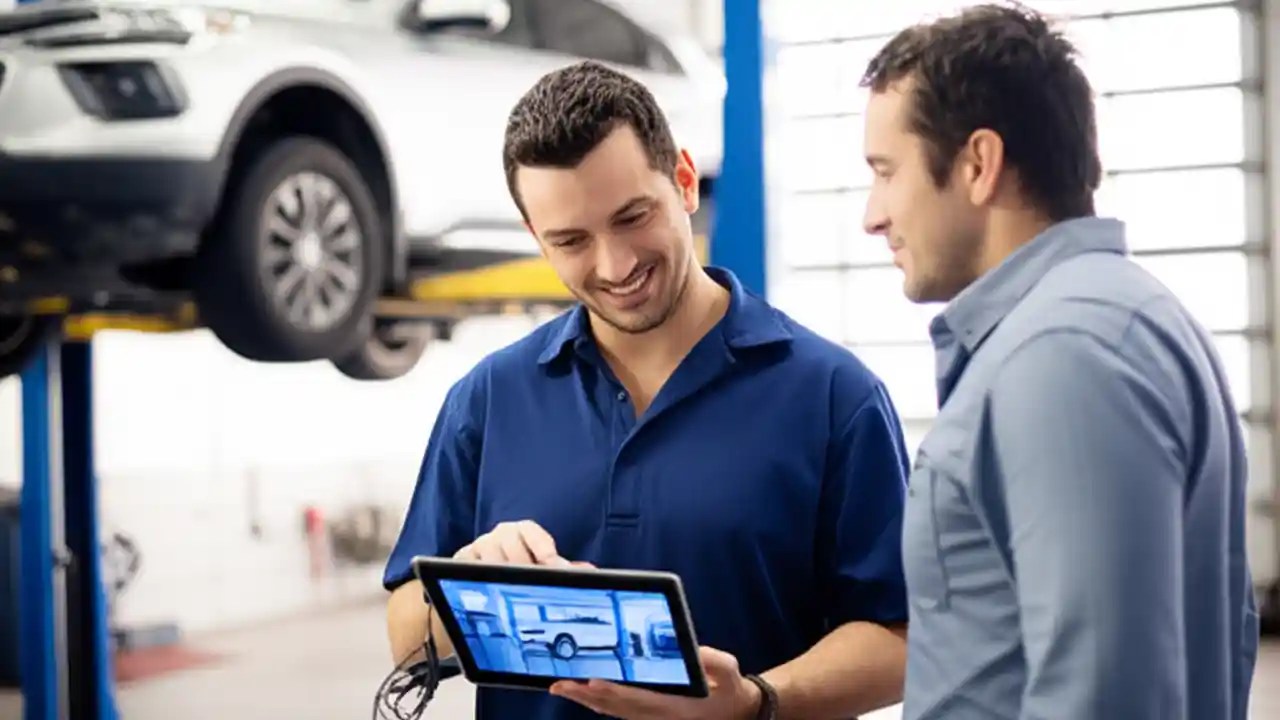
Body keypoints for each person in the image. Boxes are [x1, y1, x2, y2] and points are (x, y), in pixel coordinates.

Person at [383, 60, 912, 720]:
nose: (616, 264)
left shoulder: (834, 396)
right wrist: (477, 588)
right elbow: (407, 631)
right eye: (571, 240)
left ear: (685, 181)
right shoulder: (488, 399)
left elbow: (900, 635)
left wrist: (757, 702)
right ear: (536, 240)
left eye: (633, 217)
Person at [859, 4, 1260, 719]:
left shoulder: (1062, 360)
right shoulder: (1115, 319)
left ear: (979, 164)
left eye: (887, 172)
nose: (873, 213)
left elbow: (1104, 695)